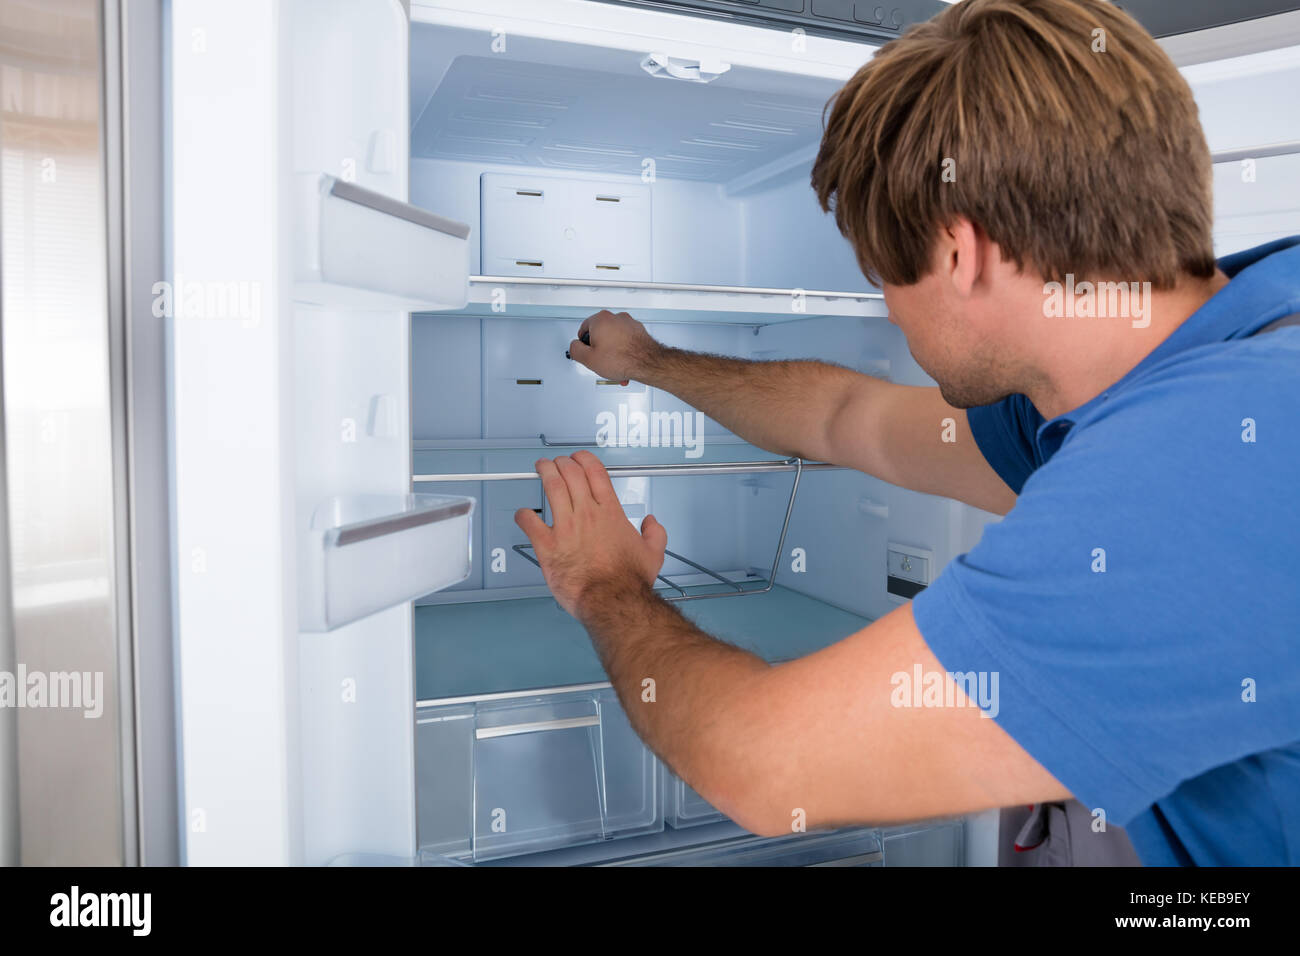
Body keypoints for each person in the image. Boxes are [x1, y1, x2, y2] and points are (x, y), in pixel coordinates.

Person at [513, 0, 1300, 866]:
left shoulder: (1192, 478)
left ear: (960, 254)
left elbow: (769, 768)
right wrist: (651, 360)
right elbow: (849, 420)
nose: (887, 311)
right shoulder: (1176, 358)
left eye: (883, 273)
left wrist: (605, 587)